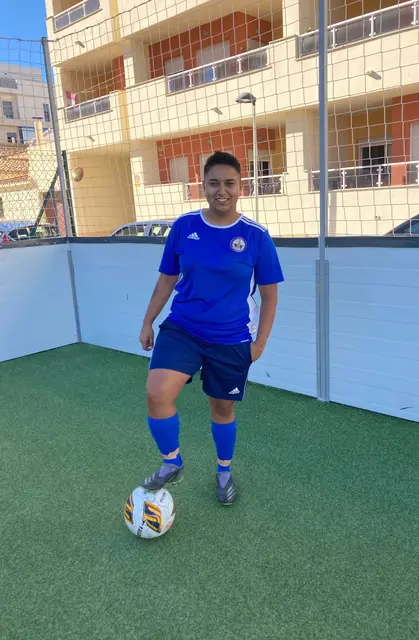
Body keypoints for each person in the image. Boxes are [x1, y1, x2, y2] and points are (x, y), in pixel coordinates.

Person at [138, 151, 284, 505]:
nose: (222, 191)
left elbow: (270, 296)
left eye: (229, 183)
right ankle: (172, 461)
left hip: (231, 337)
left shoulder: (255, 236)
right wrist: (148, 321)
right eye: (214, 183)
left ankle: (223, 471)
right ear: (202, 186)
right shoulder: (184, 227)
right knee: (157, 393)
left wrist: (259, 344)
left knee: (222, 409)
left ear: (241, 187)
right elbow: (167, 279)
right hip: (183, 329)